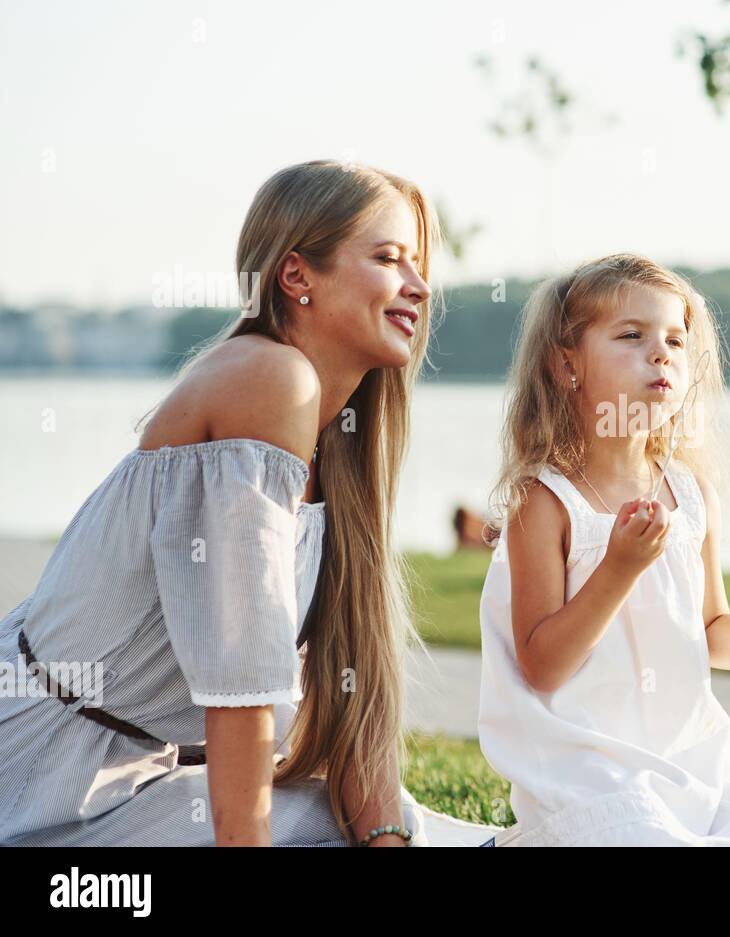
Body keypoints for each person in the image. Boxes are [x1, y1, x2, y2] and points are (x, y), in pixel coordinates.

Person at [0, 160, 501, 847]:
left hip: (136, 781)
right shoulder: (270, 380)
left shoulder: (339, 449)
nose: (418, 286)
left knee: (394, 825)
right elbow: (239, 682)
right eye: (388, 258)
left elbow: (356, 708)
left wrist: (385, 839)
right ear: (297, 277)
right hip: (33, 773)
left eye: (417, 265)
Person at [476, 253, 730, 845]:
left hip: (692, 757)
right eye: (631, 336)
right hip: (589, 766)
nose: (660, 353)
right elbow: (541, 665)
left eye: (675, 340)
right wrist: (618, 568)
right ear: (566, 365)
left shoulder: (689, 494)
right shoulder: (546, 502)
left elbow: (710, 630)